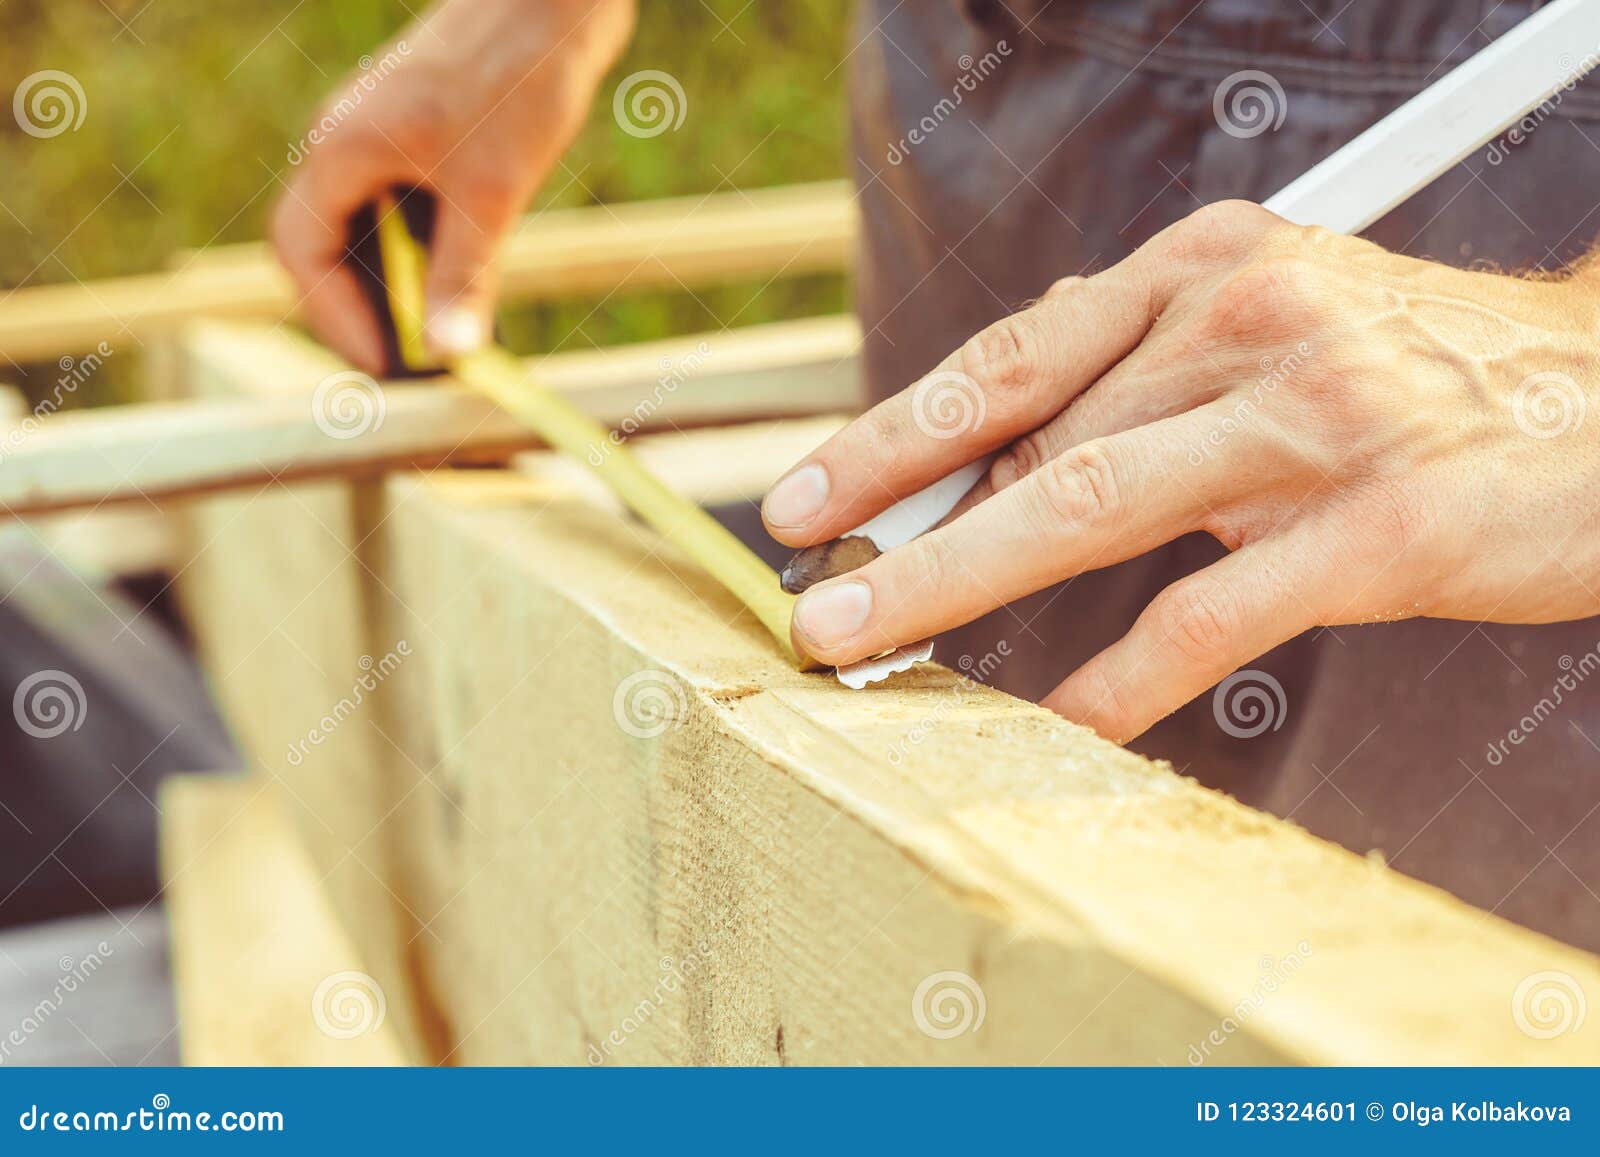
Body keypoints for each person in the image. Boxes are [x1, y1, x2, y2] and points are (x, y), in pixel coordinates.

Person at [274, 0, 1600, 953]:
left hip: (1548, 160)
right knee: (957, 938)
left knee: (1411, 1015)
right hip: (1012, 81)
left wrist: (1570, 358)